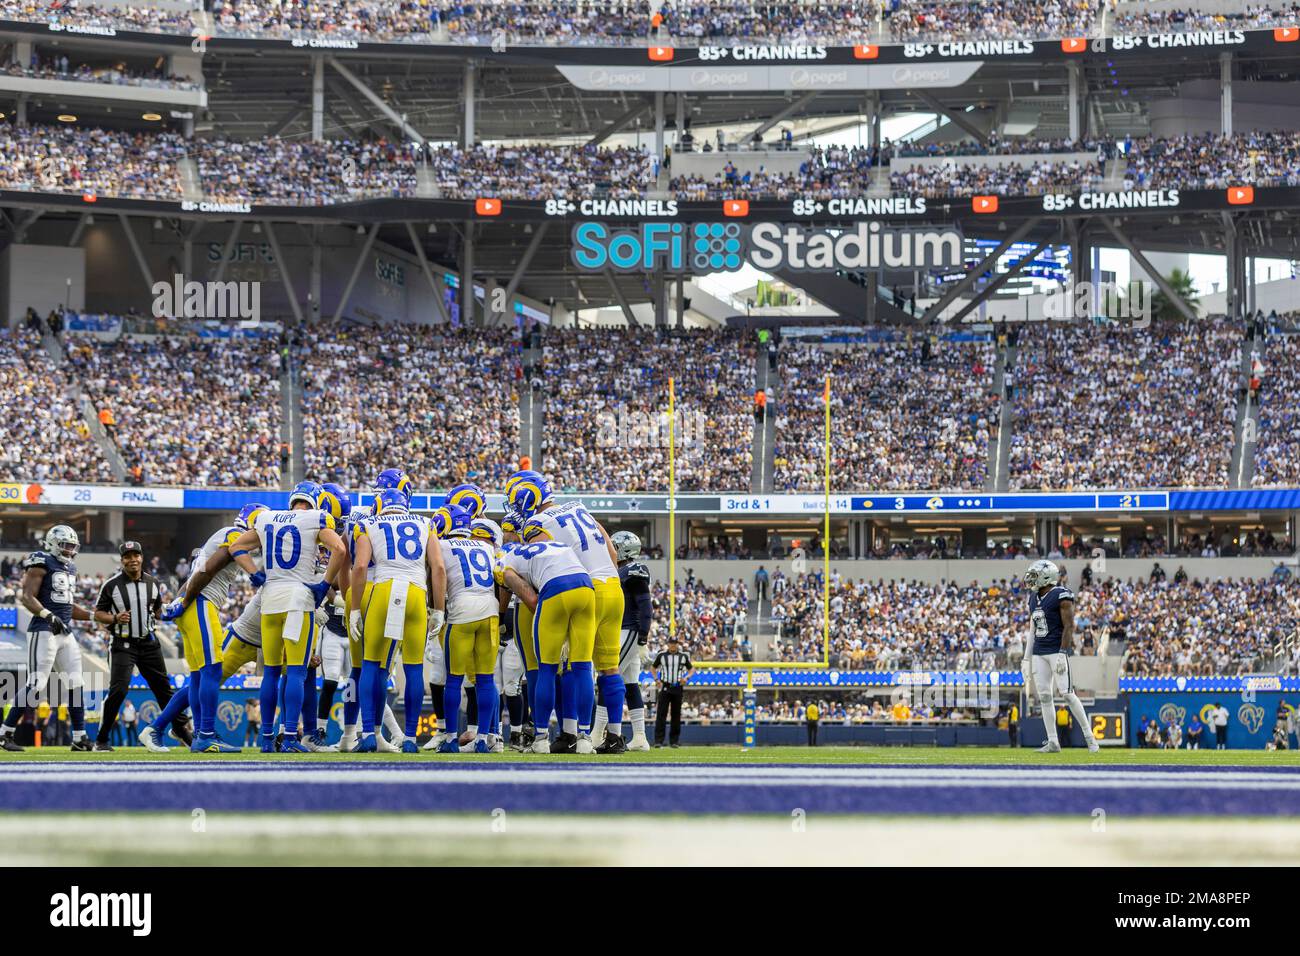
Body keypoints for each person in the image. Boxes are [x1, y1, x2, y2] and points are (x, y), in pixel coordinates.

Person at [225, 481, 350, 752]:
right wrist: (325, 584)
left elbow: (236, 546)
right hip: (298, 600)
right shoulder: (317, 517)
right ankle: (291, 736)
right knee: (295, 671)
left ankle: (267, 739)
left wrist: (254, 573)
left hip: (269, 601)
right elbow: (339, 549)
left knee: (271, 673)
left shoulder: (267, 517)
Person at [515, 470, 625, 754]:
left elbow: (538, 562)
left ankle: (570, 733)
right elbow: (609, 547)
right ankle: (614, 736)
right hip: (613, 585)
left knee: (570, 666)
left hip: (585, 587)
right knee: (609, 668)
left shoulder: (539, 522)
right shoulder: (578, 507)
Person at [349, 488, 446, 754]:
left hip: (383, 590)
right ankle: (411, 738)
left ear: (380, 503)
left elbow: (359, 567)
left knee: (370, 663)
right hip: (416, 593)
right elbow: (437, 567)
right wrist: (439, 608)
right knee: (414, 668)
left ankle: (368, 732)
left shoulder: (368, 523)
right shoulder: (426, 523)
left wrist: (355, 608)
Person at [1, 526, 94, 751]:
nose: (70, 550)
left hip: (65, 631)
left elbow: (68, 606)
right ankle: (5, 733)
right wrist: (47, 615)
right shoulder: (41, 560)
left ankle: (79, 738)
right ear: (52, 543)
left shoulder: (70, 567)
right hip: (43, 629)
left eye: (73, 546)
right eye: (65, 545)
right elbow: (27, 597)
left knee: (76, 682)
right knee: (37, 682)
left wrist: (93, 616)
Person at [93, 541, 185, 751]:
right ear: (122, 560)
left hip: (149, 642)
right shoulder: (111, 585)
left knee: (164, 689)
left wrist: (175, 613)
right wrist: (115, 618)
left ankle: (182, 731)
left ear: (142, 557)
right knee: (118, 690)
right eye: (127, 556)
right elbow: (98, 613)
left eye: (136, 555)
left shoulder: (153, 583)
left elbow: (158, 610)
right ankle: (102, 739)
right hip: (122, 643)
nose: (132, 560)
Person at [1023, 559, 1099, 754]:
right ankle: (1053, 741)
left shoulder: (1060, 595)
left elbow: (1069, 626)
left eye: (1035, 575)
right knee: (1045, 697)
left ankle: (1090, 738)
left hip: (1056, 650)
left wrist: (1063, 653)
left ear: (1046, 576)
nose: (1031, 579)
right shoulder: (1033, 597)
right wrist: (1026, 657)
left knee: (1067, 694)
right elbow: (1032, 628)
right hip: (1039, 652)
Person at [592, 530, 653, 751]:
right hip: (624, 630)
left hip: (628, 630)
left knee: (608, 676)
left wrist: (643, 636)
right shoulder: (620, 571)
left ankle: (598, 733)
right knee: (630, 684)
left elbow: (645, 606)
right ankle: (640, 737)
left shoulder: (633, 570)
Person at [652, 636, 692, 748]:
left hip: (677, 687)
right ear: (668, 644)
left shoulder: (683, 656)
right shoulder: (662, 655)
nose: (673, 645)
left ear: (677, 644)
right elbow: (653, 668)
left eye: (675, 643)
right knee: (661, 714)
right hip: (665, 686)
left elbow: (691, 669)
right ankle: (658, 741)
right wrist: (656, 680)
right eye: (671, 643)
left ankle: (674, 741)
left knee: (676, 714)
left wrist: (686, 678)